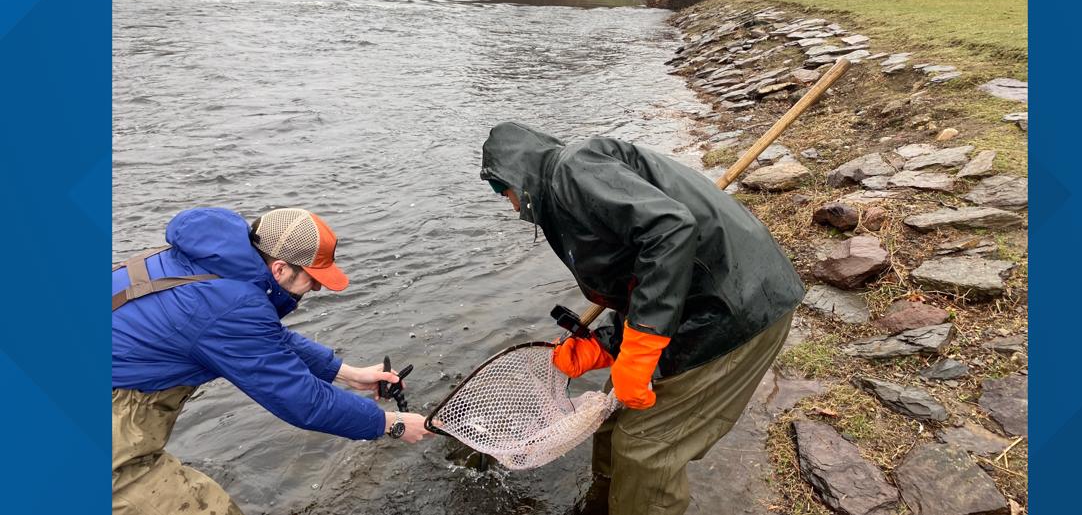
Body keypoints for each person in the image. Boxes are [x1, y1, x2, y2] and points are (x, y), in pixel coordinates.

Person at [480, 122, 805, 515]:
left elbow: (670, 230)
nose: (510, 205)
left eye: (503, 191)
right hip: (697, 305)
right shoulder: (571, 189)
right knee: (612, 419)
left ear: (518, 176)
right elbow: (645, 274)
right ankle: (604, 502)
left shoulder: (572, 171)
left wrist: (643, 341)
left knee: (645, 448)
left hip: (738, 309)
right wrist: (607, 342)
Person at [112, 207, 431, 515]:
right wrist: (392, 424)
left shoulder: (217, 267)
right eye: (313, 278)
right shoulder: (230, 307)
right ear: (280, 269)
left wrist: (348, 374)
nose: (318, 288)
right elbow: (305, 403)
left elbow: (270, 341)